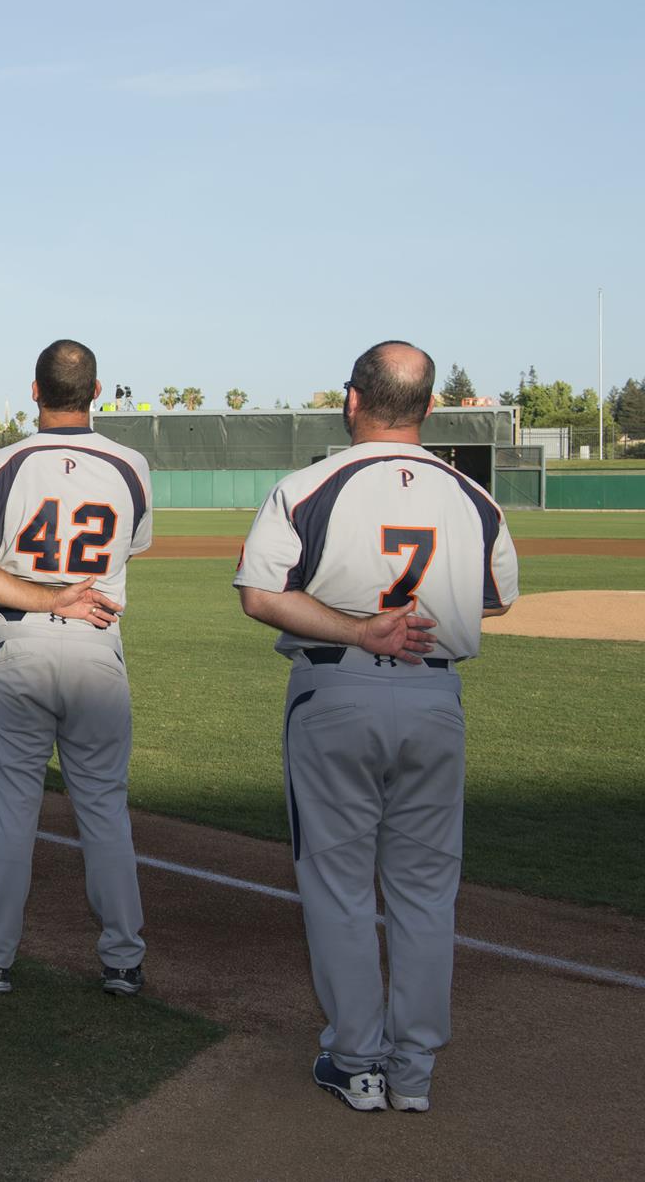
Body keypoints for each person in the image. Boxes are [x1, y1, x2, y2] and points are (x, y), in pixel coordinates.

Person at [236, 340, 518, 1115]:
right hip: (434, 696)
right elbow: (496, 598)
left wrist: (362, 628)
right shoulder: (474, 495)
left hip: (337, 689)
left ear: (350, 400)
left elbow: (261, 595)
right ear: (430, 408)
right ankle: (415, 1072)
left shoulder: (309, 486)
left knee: (339, 885)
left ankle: (357, 1063)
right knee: (427, 891)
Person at [0, 339, 151, 997]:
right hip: (96, 642)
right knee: (105, 812)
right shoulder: (131, 465)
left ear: (33, 391)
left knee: (11, 813)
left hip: (19, 644)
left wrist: (41, 593)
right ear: (96, 391)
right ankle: (122, 961)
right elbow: (133, 544)